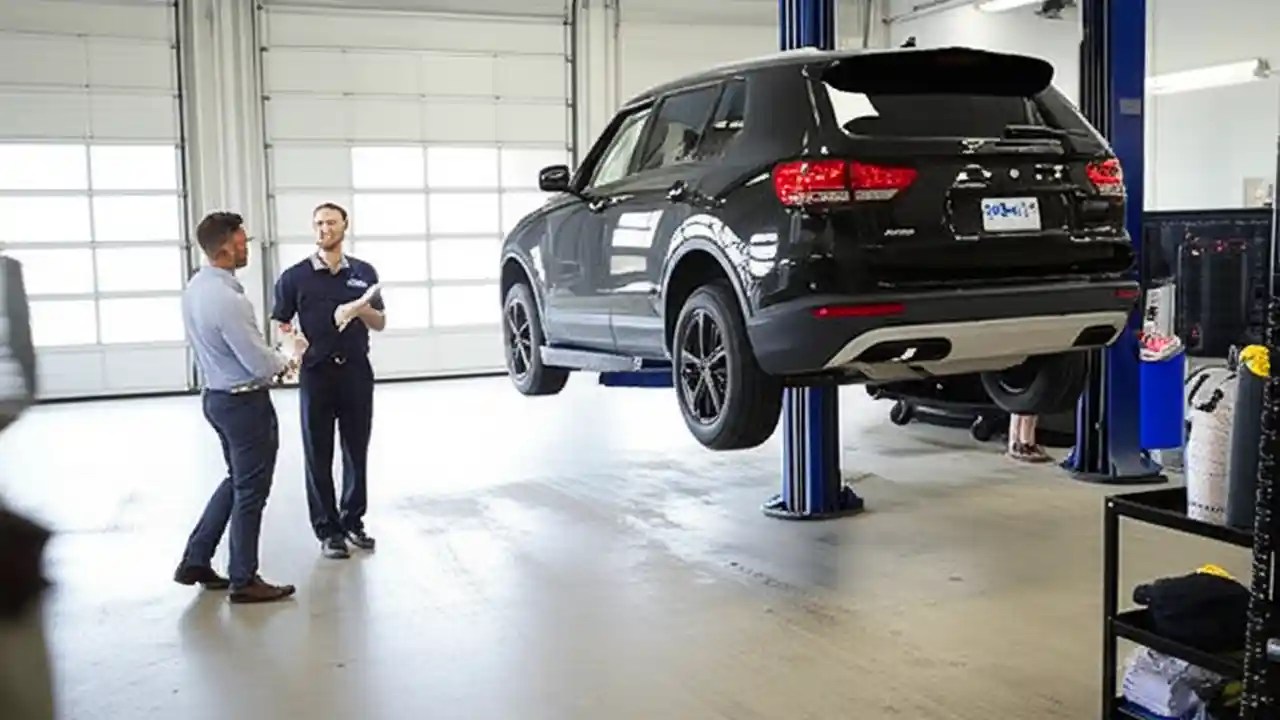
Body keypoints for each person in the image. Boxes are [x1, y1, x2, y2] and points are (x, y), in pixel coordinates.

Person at [174, 211, 296, 604]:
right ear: (225, 246)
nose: (246, 246)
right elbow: (260, 364)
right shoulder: (228, 300)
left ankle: (196, 559)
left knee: (236, 480)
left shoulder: (195, 288)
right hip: (244, 404)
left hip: (217, 398)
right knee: (251, 492)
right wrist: (290, 356)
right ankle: (244, 579)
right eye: (242, 240)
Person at [271, 202, 385, 560]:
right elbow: (281, 321)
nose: (324, 229)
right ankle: (328, 529)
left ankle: (353, 521)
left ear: (345, 226)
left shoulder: (364, 273)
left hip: (355, 371)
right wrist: (292, 343)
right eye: (318, 223)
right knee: (317, 452)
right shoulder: (294, 277)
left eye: (331, 222)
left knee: (356, 449)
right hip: (316, 373)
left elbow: (380, 322)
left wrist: (358, 309)